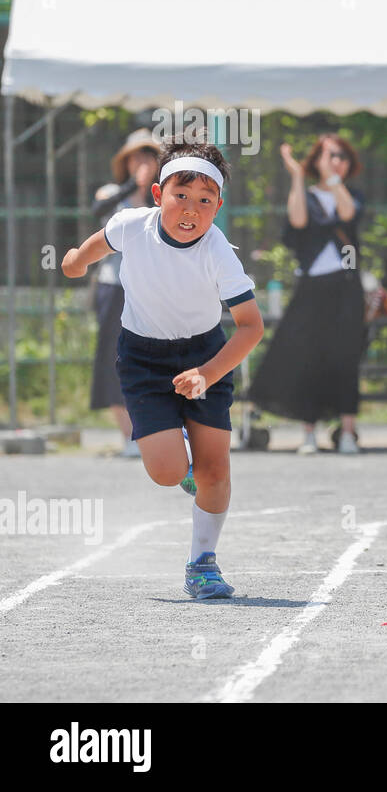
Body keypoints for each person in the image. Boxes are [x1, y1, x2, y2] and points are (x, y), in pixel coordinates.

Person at [61, 135, 264, 599]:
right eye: (181, 196)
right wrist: (72, 262)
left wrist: (208, 373)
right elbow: (89, 252)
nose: (191, 209)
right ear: (157, 195)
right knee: (167, 472)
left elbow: (251, 328)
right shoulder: (132, 225)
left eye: (204, 200)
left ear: (218, 206)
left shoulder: (217, 251)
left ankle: (202, 564)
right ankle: (186, 471)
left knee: (216, 472)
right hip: (143, 357)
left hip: (205, 357)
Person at [249, 134, 367, 455]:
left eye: (342, 156)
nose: (337, 161)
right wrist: (298, 176)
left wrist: (333, 180)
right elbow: (298, 220)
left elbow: (347, 214)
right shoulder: (307, 195)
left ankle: (346, 432)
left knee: (345, 357)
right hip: (312, 288)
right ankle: (309, 432)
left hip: (345, 287)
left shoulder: (352, 194)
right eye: (330, 155)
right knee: (308, 356)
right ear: (316, 160)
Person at [89, 128, 160, 457]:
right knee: (112, 360)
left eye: (149, 156)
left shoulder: (160, 201)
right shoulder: (113, 192)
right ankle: (127, 434)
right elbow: (96, 213)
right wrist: (134, 185)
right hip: (114, 287)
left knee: (148, 360)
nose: (143, 163)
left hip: (149, 291)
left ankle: (152, 431)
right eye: (137, 156)